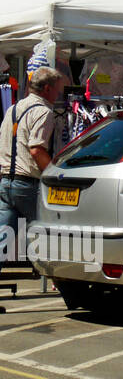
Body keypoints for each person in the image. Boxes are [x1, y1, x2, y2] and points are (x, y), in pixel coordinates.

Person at [0, 66, 67, 310]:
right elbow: (37, 148)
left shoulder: (13, 109)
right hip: (28, 183)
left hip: (6, 181)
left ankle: (63, 284)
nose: (59, 95)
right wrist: (55, 176)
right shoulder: (43, 112)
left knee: (2, 240)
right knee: (48, 235)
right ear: (47, 88)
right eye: (57, 90)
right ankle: (69, 287)